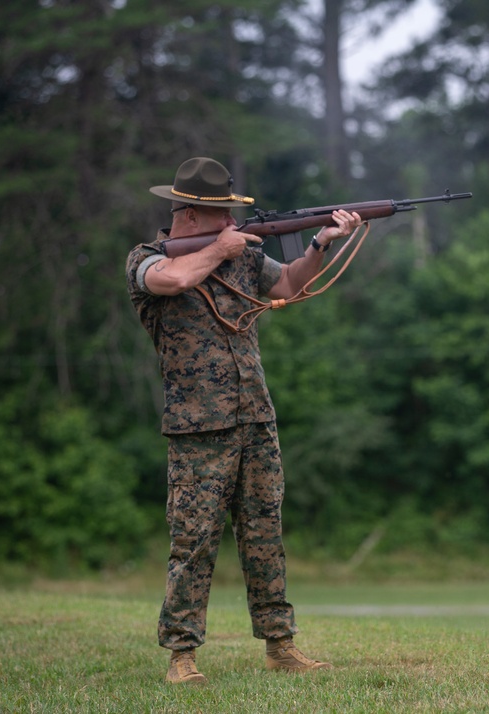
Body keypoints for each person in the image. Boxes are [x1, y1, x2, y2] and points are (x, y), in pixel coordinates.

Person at [126, 157, 362, 683]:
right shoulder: (147, 259)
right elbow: (173, 281)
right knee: (194, 540)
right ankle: (182, 656)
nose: (231, 224)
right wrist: (222, 247)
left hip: (255, 418)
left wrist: (322, 243)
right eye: (221, 215)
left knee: (264, 534)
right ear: (188, 214)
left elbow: (289, 287)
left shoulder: (240, 256)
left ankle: (280, 646)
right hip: (197, 428)